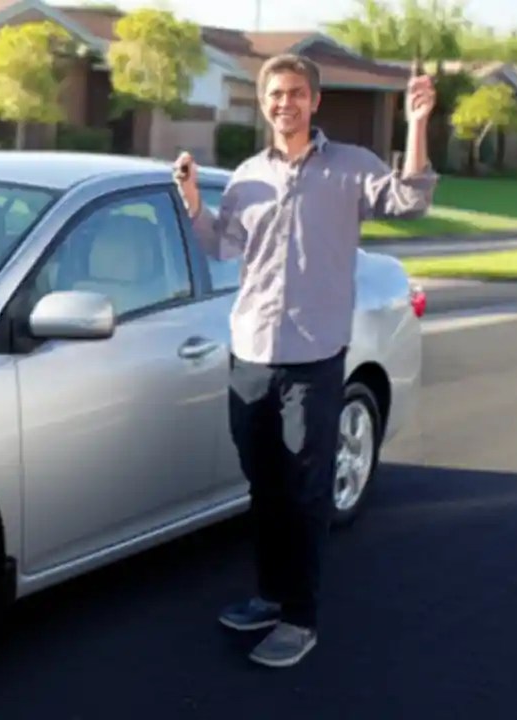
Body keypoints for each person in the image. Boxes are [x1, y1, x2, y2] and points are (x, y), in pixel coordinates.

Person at [173, 53, 437, 668]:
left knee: (306, 492)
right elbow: (221, 245)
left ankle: (300, 618)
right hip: (251, 355)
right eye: (275, 93)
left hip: (312, 359)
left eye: (295, 92)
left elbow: (411, 200)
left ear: (314, 101)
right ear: (263, 101)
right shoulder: (246, 176)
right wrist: (192, 203)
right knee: (263, 485)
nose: (284, 102)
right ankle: (269, 595)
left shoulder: (349, 169)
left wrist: (417, 124)